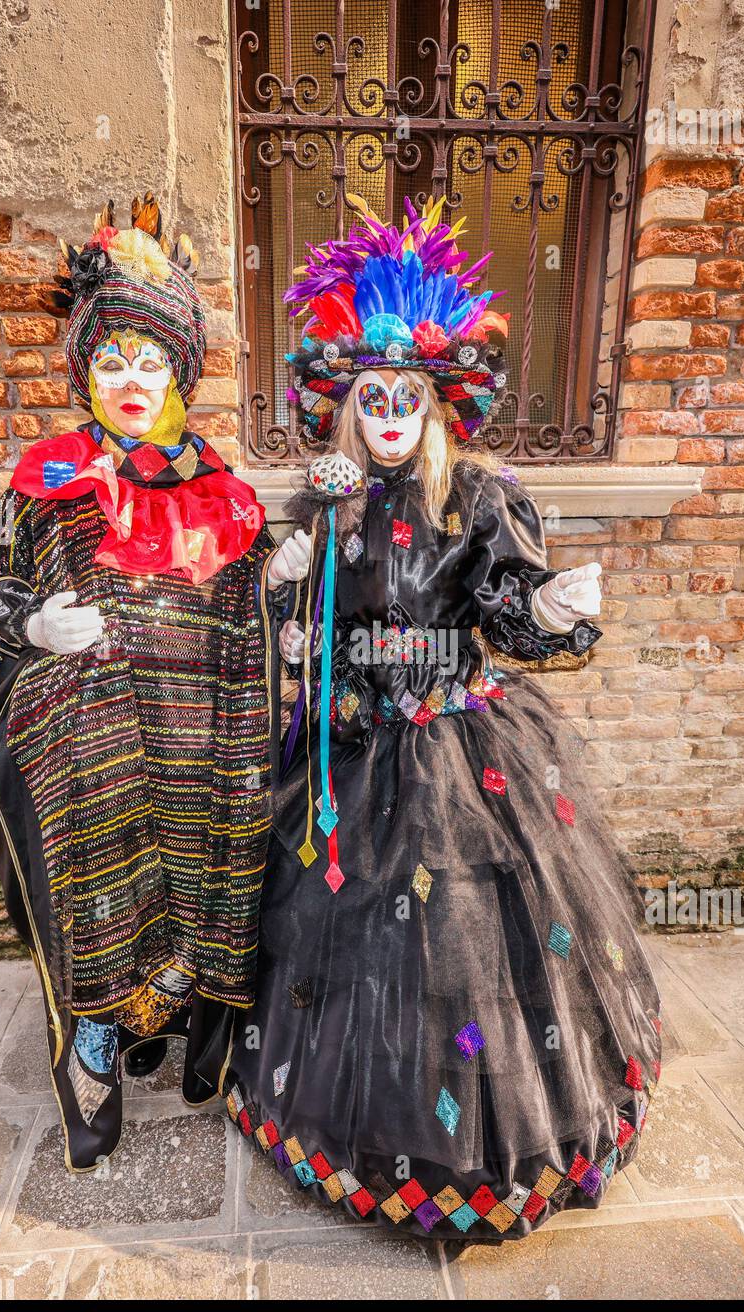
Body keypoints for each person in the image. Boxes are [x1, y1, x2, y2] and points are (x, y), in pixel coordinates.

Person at [216, 193, 662, 1240]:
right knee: (350, 946)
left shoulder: (477, 496)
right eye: (368, 395)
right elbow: (301, 621)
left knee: (466, 951)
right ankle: (358, 1135)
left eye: (403, 395)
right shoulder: (326, 501)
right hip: (351, 746)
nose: (384, 413)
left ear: (433, 404)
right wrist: (282, 587)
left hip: (459, 750)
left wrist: (542, 607)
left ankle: (485, 1148)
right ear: (347, 404)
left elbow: (502, 605)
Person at [0, 195, 311, 1172]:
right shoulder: (47, 476)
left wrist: (278, 586)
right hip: (86, 743)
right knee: (96, 891)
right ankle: (97, 1048)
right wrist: (31, 621)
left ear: (177, 370)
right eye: (110, 359)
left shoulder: (225, 490)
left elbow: (262, 615)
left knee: (192, 886)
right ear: (86, 367)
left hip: (198, 743)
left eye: (148, 360)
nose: (128, 379)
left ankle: (179, 1016)